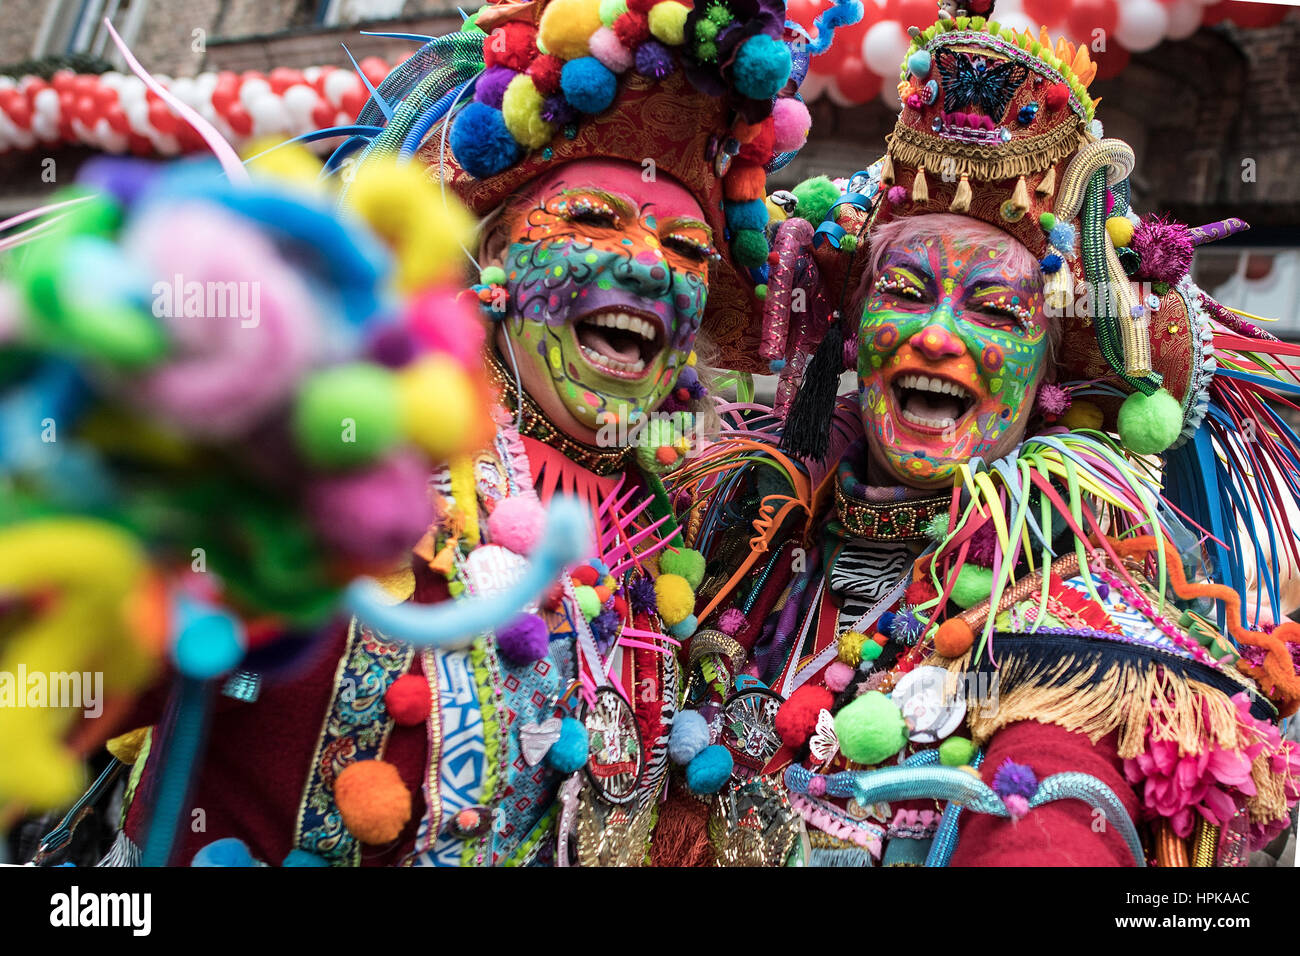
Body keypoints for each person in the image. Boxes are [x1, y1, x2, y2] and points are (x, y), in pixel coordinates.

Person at [97, 0, 850, 866]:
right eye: (595, 221)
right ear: (492, 261)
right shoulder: (343, 443)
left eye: (684, 248)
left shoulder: (679, 533)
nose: (646, 264)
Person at [675, 13, 1300, 866]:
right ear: (853, 332)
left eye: (996, 310)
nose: (937, 338)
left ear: (1052, 368)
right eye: (903, 291)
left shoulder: (1073, 609)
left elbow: (1053, 802)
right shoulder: (726, 528)